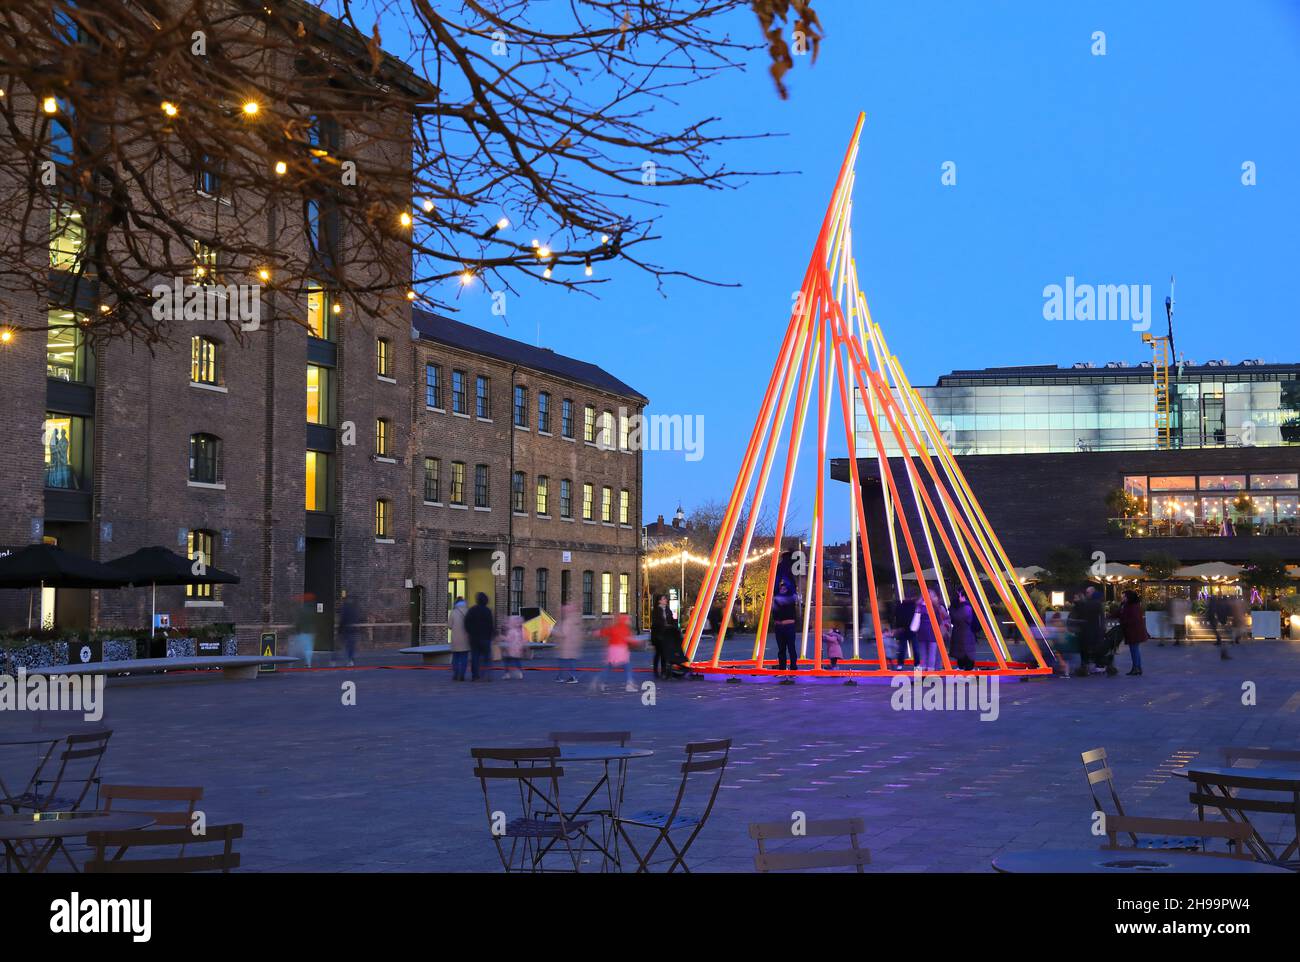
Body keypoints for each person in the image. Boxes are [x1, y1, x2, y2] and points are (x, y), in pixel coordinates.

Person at [771, 552, 799, 680]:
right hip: (779, 626)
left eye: (784, 587)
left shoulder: (790, 597)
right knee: (781, 649)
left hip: (788, 625)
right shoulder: (777, 598)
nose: (782, 588)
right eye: (781, 587)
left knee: (791, 648)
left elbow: (791, 586)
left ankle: (793, 669)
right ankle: (782, 669)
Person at [594, 613, 637, 692]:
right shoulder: (626, 629)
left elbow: (605, 632)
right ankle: (629, 684)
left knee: (608, 667)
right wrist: (637, 642)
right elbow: (630, 640)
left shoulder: (614, 627)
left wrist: (596, 632)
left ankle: (602, 683)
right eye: (627, 619)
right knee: (628, 667)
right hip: (621, 650)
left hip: (612, 651)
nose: (629, 621)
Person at [910, 587, 950, 671]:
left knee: (925, 653)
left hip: (924, 632)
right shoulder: (936, 607)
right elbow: (944, 619)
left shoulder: (920, 606)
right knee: (932, 653)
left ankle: (925, 669)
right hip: (933, 633)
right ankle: (931, 670)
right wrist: (945, 627)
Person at [464, 592, 495, 680]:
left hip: (474, 637)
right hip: (485, 637)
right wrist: (491, 635)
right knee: (486, 657)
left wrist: (470, 632)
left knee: (475, 656)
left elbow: (467, 622)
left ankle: (475, 675)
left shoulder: (472, 610)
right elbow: (490, 624)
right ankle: (487, 674)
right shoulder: (487, 611)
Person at [1118, 589, 1148, 676]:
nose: (1122, 598)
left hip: (1134, 631)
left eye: (1123, 596)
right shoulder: (1128, 605)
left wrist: (1124, 622)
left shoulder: (1132, 606)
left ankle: (1136, 668)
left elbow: (1132, 619)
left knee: (1134, 650)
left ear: (1128, 597)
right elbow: (1120, 613)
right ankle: (1137, 667)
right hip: (1134, 631)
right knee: (1135, 650)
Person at [650, 594, 680, 678]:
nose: (665, 600)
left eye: (665, 599)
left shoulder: (667, 609)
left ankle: (663, 671)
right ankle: (656, 671)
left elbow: (671, 620)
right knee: (658, 653)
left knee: (664, 653)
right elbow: (656, 623)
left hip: (666, 635)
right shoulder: (656, 610)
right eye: (664, 599)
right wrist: (664, 626)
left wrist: (675, 624)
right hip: (658, 635)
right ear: (659, 601)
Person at [552, 602, 582, 683]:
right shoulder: (575, 619)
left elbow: (563, 634)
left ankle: (571, 677)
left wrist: (552, 631)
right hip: (572, 645)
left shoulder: (568, 621)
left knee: (566, 661)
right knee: (566, 661)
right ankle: (561, 676)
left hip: (566, 646)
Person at [949, 587, 977, 671]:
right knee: (963, 651)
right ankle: (964, 667)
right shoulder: (965, 607)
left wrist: (951, 610)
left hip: (964, 633)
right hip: (963, 633)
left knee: (965, 651)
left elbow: (958, 617)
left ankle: (968, 668)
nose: (958, 597)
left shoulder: (965, 607)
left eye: (959, 595)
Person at [891, 594, 917, 670]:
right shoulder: (914, 606)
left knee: (902, 648)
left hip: (903, 629)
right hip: (911, 629)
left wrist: (897, 627)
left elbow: (896, 616)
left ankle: (900, 664)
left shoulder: (900, 605)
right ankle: (916, 665)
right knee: (915, 648)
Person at [292, 593, 317, 669]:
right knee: (309, 648)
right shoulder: (313, 610)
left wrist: (297, 630)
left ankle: (297, 662)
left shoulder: (303, 610)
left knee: (303, 647)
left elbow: (299, 621)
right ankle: (308, 663)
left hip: (303, 631)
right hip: (311, 631)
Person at [448, 596, 470, 681]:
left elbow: (449, 626)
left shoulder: (453, 612)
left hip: (456, 639)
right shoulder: (468, 611)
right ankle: (462, 675)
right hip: (465, 638)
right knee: (464, 657)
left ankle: (456, 674)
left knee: (456, 657)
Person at [338, 594, 361, 668]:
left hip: (347, 630)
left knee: (347, 646)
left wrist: (340, 630)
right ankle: (351, 660)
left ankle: (349, 660)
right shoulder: (355, 608)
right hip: (354, 629)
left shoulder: (345, 608)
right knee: (352, 646)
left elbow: (342, 619)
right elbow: (358, 618)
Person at [501, 614, 526, 679]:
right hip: (517, 650)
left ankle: (507, 674)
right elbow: (523, 640)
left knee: (506, 661)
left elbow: (508, 640)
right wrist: (522, 647)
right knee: (517, 661)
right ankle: (520, 673)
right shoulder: (520, 631)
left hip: (510, 650)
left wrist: (502, 637)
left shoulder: (511, 631)